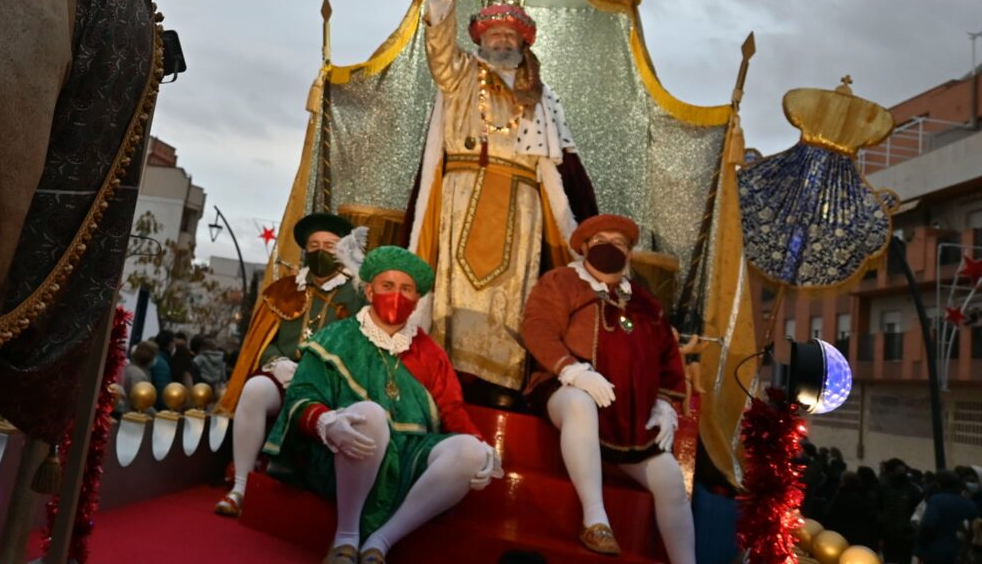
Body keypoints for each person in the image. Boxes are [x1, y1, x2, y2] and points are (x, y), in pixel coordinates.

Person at [409, 0, 598, 389]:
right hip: (462, 195)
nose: (500, 42)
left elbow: (564, 165)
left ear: (523, 42)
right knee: (456, 295)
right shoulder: (461, 74)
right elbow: (438, 49)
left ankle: (502, 387)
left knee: (511, 299)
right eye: (493, 34)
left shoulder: (542, 97)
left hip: (521, 203)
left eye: (509, 35)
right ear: (480, 40)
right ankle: (447, 380)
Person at [263, 246, 502, 563]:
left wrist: (481, 445)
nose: (397, 296)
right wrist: (326, 422)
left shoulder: (430, 352)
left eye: (406, 289)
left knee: (470, 451)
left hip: (409, 456)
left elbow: (452, 410)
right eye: (387, 286)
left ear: (417, 299)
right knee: (369, 415)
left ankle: (380, 542)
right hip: (343, 452)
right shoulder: (335, 337)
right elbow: (302, 394)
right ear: (369, 290)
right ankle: (346, 538)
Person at [521, 214, 693, 562]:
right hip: (564, 389)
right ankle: (595, 519)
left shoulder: (645, 303)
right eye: (600, 241)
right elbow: (537, 328)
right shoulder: (562, 282)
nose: (609, 248)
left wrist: (664, 404)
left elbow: (667, 357)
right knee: (580, 403)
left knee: (671, 479)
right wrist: (572, 370)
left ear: (629, 252)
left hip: (627, 418)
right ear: (584, 247)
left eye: (618, 243)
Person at [214, 213, 367, 518]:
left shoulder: (358, 294)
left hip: (329, 385)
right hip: (284, 377)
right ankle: (240, 488)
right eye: (314, 245)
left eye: (329, 245)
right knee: (255, 389)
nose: (321, 251)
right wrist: (276, 362)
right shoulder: (284, 290)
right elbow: (263, 342)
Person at [916, 471, 979, 564]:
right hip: (962, 552)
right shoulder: (970, 504)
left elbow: (929, 523)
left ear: (939, 484)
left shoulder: (936, 500)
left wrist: (921, 543)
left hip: (937, 552)